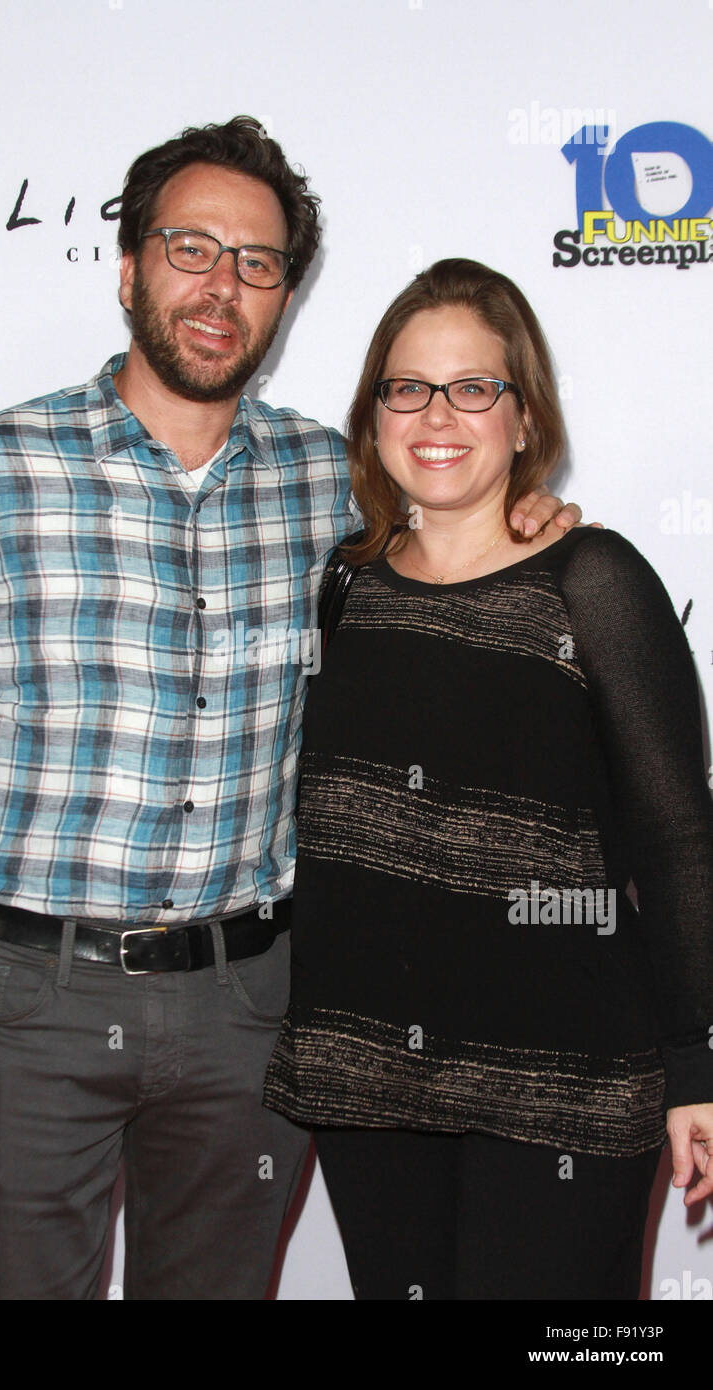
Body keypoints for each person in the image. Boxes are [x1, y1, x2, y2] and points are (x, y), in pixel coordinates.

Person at [0, 124, 578, 1301]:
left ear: (283, 298)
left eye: (257, 262)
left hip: (250, 1002)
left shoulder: (336, 483)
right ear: (129, 267)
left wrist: (534, 522)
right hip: (28, 1001)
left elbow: (461, 535)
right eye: (191, 248)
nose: (221, 285)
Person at [264, 257, 713, 1301]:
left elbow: (678, 839)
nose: (437, 415)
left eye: (473, 387)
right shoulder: (342, 588)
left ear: (524, 418)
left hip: (566, 1082)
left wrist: (697, 1065)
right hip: (369, 1075)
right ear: (374, 415)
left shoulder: (593, 578)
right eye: (407, 387)